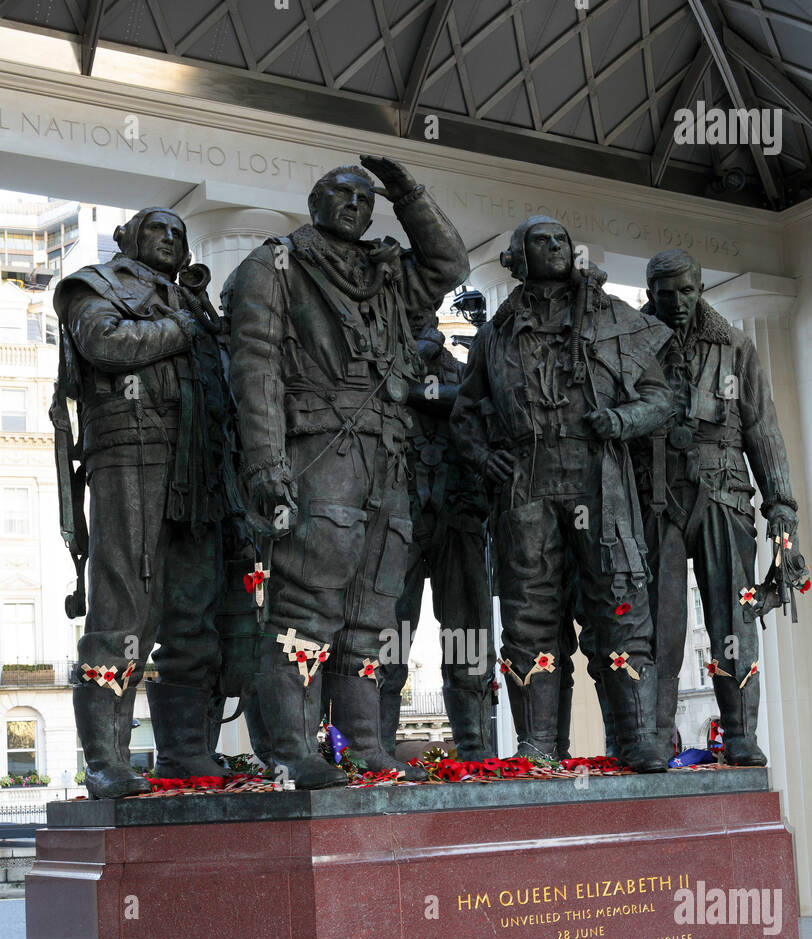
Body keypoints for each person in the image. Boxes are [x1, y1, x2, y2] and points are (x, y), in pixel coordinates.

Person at [229, 157, 469, 788]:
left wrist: (411, 195)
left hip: (386, 454)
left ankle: (364, 744)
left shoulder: (385, 273)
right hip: (318, 449)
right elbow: (254, 369)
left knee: (374, 609)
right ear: (314, 201)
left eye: (367, 198)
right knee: (305, 601)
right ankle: (291, 750)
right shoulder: (274, 263)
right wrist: (266, 463)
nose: (357, 205)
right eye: (341, 193)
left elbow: (450, 266)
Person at [450, 216, 673, 773]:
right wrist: (483, 455)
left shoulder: (617, 318)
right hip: (526, 482)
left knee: (619, 606)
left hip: (598, 476)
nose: (554, 247)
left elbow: (661, 398)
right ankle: (540, 745)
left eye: (561, 240)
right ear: (518, 256)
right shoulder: (496, 332)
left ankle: (638, 737)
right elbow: (464, 412)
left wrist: (621, 420)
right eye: (540, 240)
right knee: (530, 612)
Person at [53, 208, 228, 798]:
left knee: (194, 613)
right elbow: (105, 343)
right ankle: (106, 762)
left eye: (181, 232)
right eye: (159, 228)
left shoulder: (194, 304)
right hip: (130, 454)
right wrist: (183, 329)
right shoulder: (94, 285)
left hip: (199, 467)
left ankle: (183, 754)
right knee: (122, 608)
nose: (174, 239)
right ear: (126, 238)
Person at [632, 249, 806, 765]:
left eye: (687, 291)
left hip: (725, 493)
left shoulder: (736, 346)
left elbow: (761, 427)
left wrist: (781, 502)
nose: (678, 302)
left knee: (734, 620)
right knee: (657, 624)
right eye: (667, 294)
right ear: (650, 295)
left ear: (700, 289)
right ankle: (656, 736)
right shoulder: (630, 344)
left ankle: (739, 734)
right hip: (655, 495)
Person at [378, 305, 495, 760]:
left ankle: (475, 752)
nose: (420, 320)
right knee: (387, 637)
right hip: (397, 515)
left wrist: (412, 391)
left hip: (457, 514)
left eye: (425, 312)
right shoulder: (383, 357)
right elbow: (378, 393)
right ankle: (378, 752)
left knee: (467, 636)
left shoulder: (464, 367)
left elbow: (478, 402)